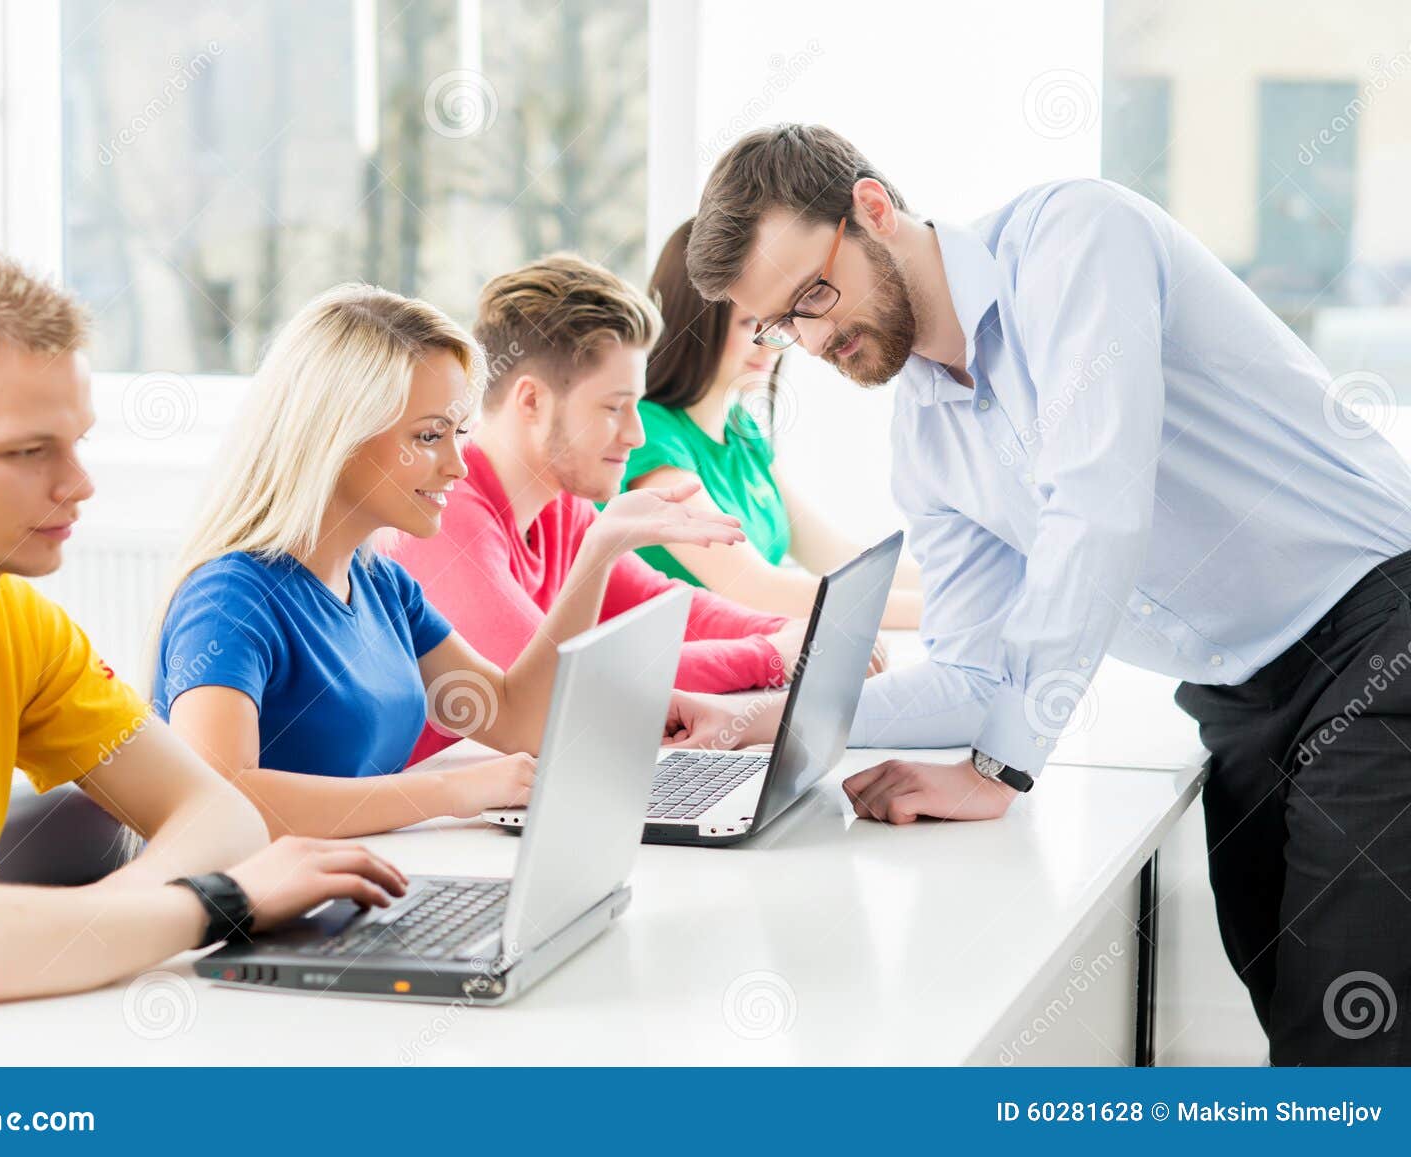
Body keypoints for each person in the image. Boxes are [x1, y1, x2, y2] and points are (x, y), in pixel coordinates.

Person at [685, 123, 1411, 1065]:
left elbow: (1097, 503)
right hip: (1241, 701)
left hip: (1377, 635)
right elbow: (968, 668)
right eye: (784, 324)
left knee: (1344, 1044)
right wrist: (761, 720)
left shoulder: (1073, 240)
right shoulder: (926, 437)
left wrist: (1000, 767)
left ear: (872, 209)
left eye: (815, 294)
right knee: (1294, 1004)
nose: (816, 340)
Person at [0, 247, 408, 1066]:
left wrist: (116, 919)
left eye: (78, 442)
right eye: (28, 452)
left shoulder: (16, 620)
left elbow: (222, 816)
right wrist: (219, 905)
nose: (79, 483)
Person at [154, 283, 748, 835]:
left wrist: (598, 553)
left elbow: (522, 720)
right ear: (336, 435)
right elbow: (217, 800)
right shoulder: (230, 598)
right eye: (430, 436)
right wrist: (450, 792)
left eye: (459, 433)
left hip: (366, 880)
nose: (459, 467)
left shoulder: (382, 585)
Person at [387, 254, 861, 765]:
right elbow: (563, 690)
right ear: (532, 402)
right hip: (388, 824)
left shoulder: (563, 508)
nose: (636, 435)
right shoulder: (445, 514)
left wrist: (789, 635)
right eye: (614, 408)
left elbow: (667, 606)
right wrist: (767, 656)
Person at [623, 218, 922, 626]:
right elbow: (759, 590)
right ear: (693, 325)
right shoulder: (645, 435)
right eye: (749, 324)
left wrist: (956, 589)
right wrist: (941, 613)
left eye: (779, 322)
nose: (771, 344)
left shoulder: (742, 432)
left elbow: (838, 557)